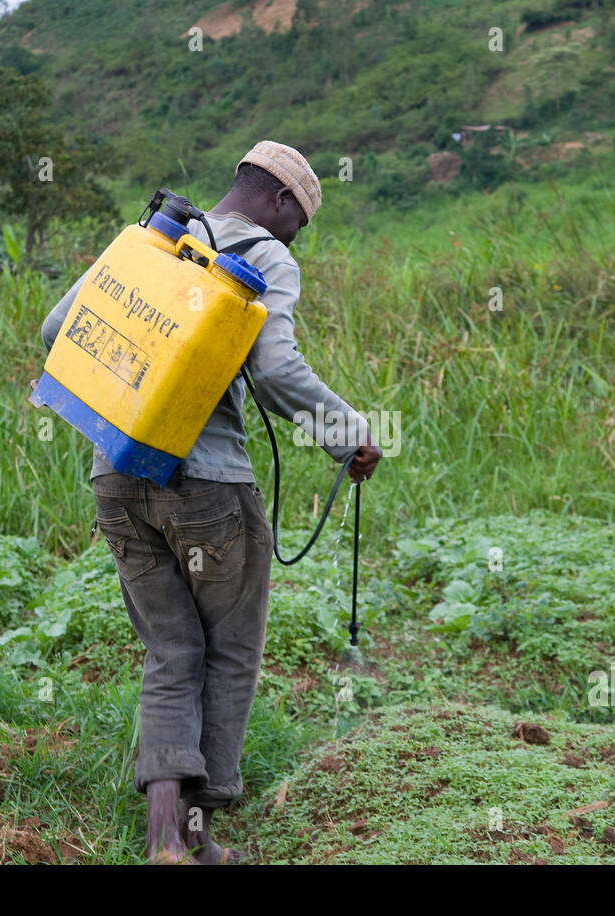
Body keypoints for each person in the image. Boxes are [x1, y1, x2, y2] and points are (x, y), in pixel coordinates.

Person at [40, 140, 382, 864]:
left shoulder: (153, 238)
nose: (295, 240)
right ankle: (196, 837)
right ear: (282, 201)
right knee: (228, 652)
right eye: (299, 224)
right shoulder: (266, 256)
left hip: (115, 478)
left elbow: (54, 331)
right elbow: (274, 363)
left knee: (171, 649)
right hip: (208, 486)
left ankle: (166, 840)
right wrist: (348, 436)